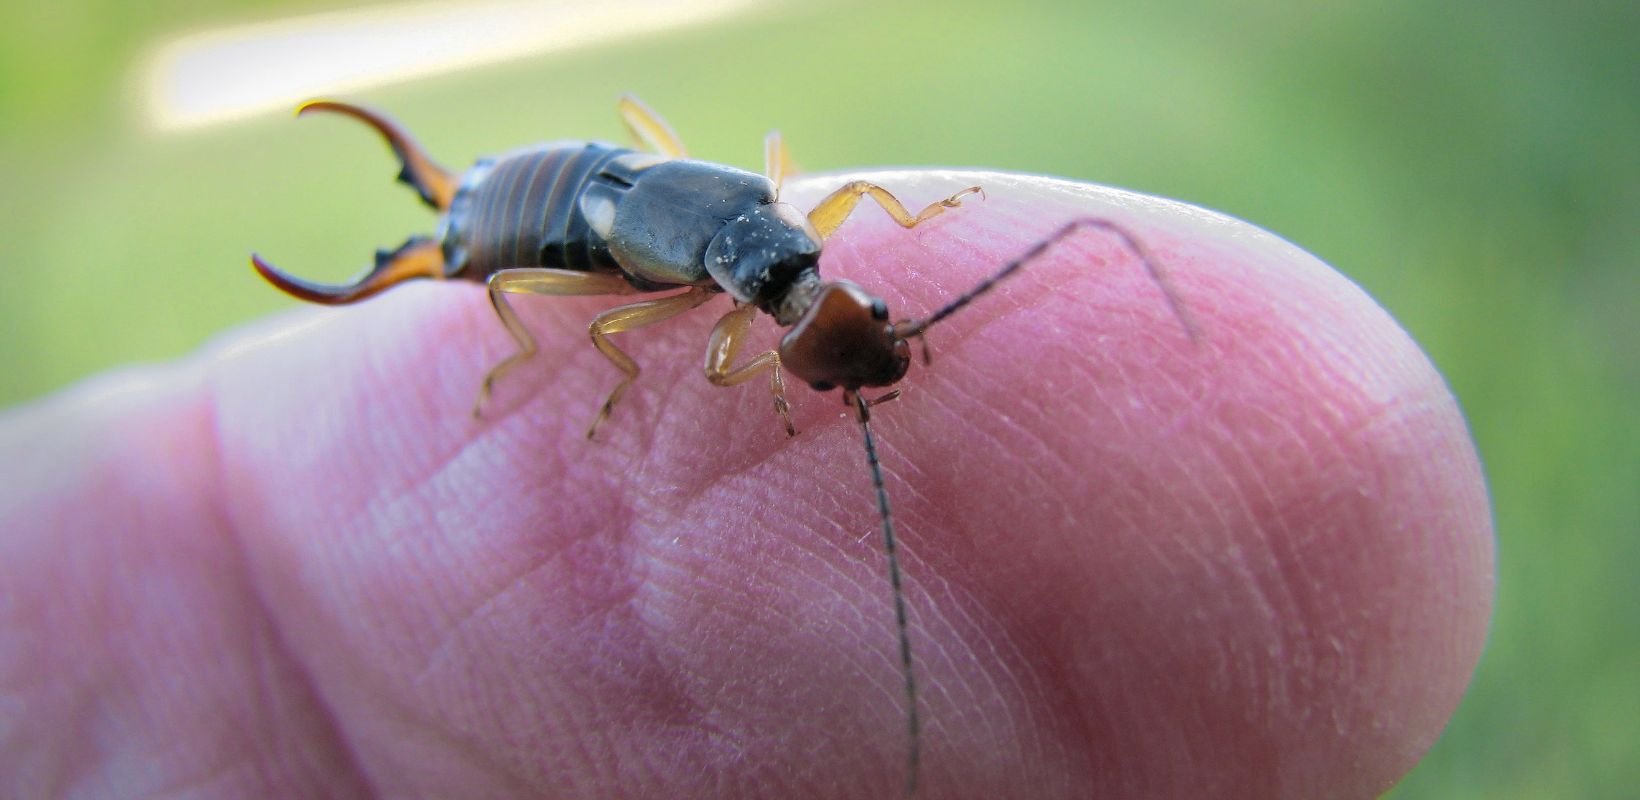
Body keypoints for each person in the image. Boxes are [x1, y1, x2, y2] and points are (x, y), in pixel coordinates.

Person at [0, 172, 1494, 798]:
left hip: (604, 184)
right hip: (548, 220)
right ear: (813, 308)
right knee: (521, 299)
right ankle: (441, 222)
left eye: (848, 336)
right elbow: (568, 313)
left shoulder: (769, 256)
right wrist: (560, 368)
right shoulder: (735, 300)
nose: (839, 344)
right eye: (845, 344)